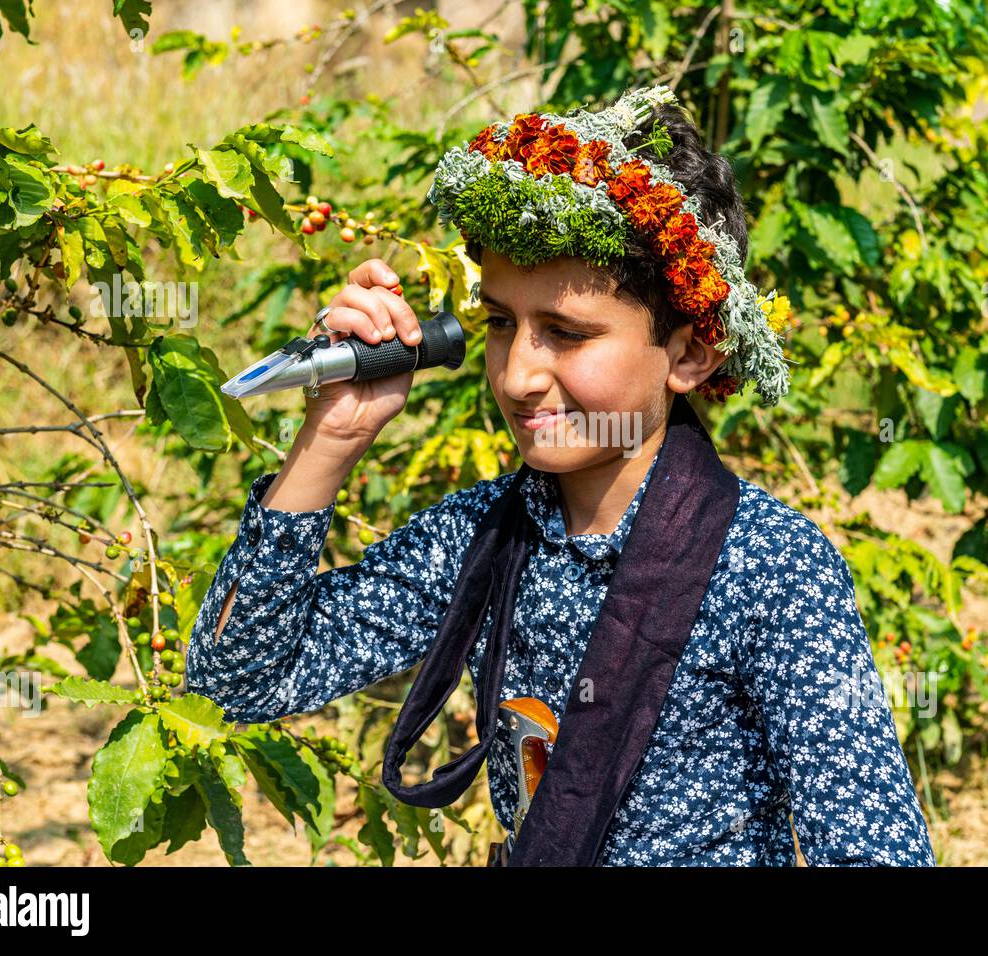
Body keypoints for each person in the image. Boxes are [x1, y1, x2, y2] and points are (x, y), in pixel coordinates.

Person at [186, 85, 936, 867]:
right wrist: (329, 441)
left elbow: (874, 850)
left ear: (689, 353)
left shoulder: (768, 566)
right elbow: (231, 687)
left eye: (567, 334)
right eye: (504, 323)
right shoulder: (482, 536)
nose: (517, 376)